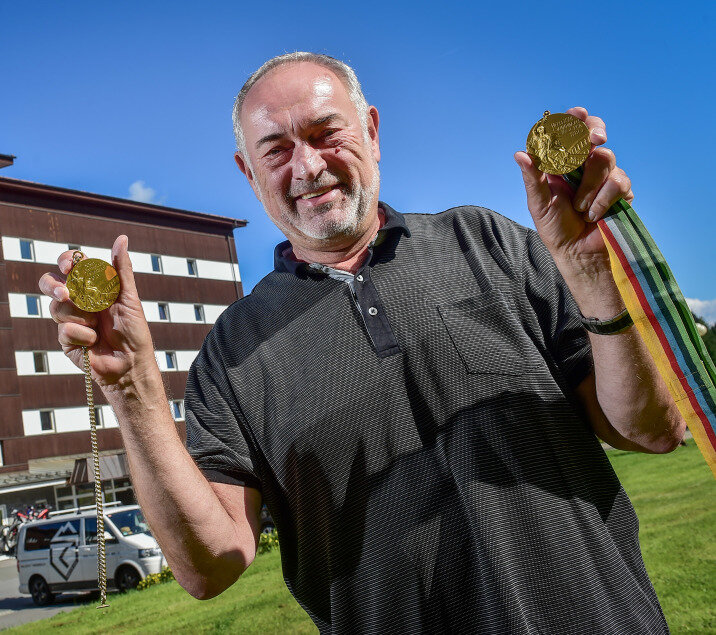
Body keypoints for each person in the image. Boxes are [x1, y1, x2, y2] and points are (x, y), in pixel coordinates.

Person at [40, 52, 684, 633]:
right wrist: (133, 392)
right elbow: (210, 567)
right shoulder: (232, 355)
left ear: (372, 131)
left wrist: (597, 282)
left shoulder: (488, 243)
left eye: (326, 134)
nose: (309, 166)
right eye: (276, 149)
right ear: (248, 171)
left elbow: (652, 430)